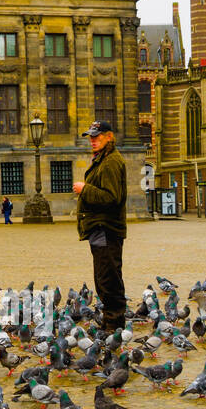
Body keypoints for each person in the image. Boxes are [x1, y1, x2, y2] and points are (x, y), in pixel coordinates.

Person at [72, 119, 128, 333]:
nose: (92, 141)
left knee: (108, 277)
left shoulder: (112, 161)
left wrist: (84, 189)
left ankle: (114, 324)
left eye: (97, 137)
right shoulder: (103, 159)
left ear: (109, 136)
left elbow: (112, 198)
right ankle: (110, 321)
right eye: (91, 137)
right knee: (103, 276)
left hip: (107, 228)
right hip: (99, 228)